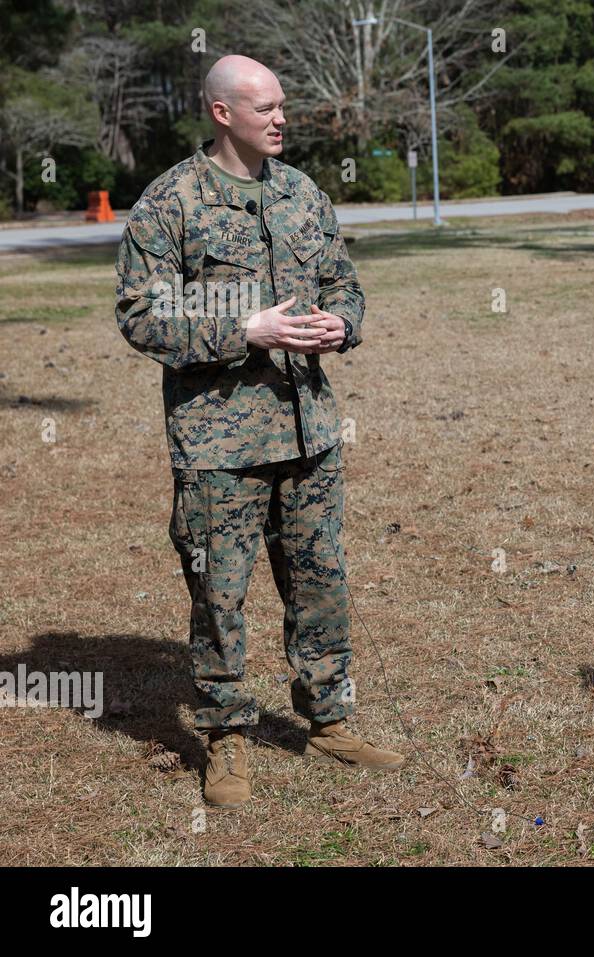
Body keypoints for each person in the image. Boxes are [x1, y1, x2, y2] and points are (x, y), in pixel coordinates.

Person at [115, 54, 404, 809]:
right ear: (222, 113)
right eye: (265, 107)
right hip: (220, 444)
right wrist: (246, 326)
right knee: (220, 593)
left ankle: (330, 717)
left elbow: (344, 281)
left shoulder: (302, 193)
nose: (281, 118)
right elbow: (141, 315)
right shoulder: (170, 201)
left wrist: (345, 323)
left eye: (282, 105)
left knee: (321, 582)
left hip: (309, 433)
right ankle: (226, 738)